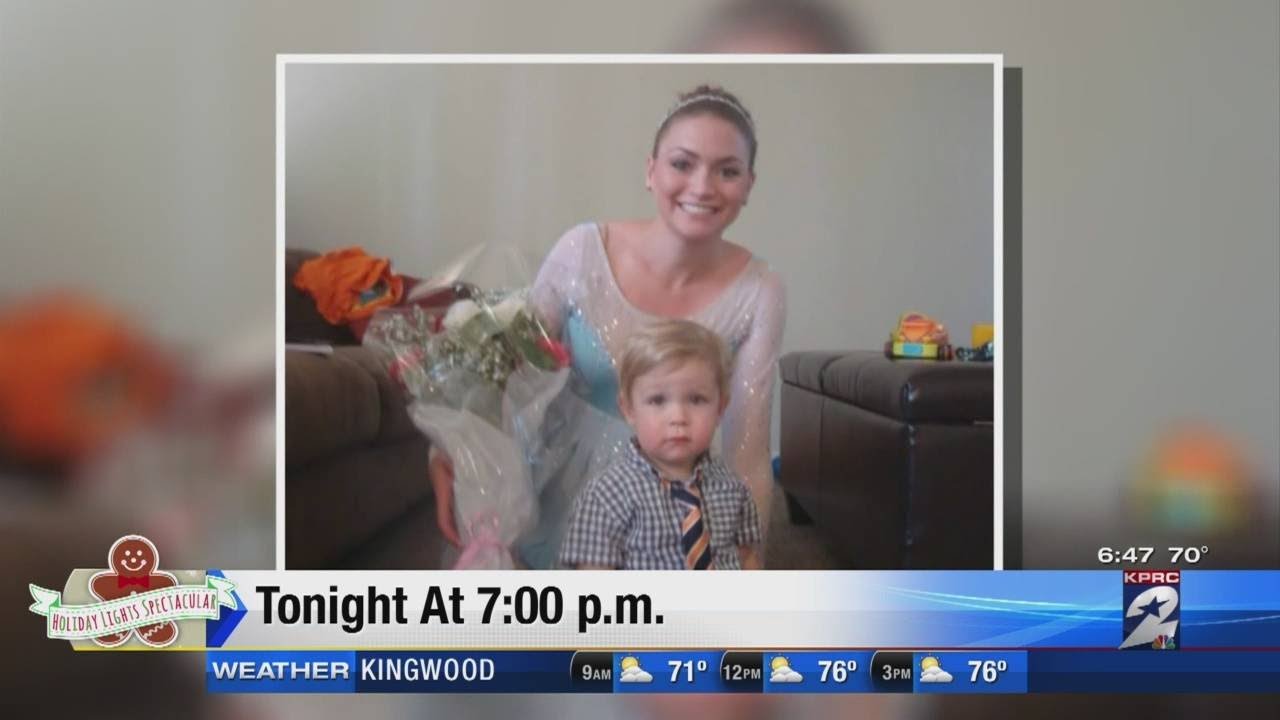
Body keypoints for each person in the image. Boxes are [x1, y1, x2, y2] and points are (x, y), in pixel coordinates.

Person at [431, 84, 785, 568]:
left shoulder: (761, 289)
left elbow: (749, 449)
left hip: (672, 505)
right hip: (555, 488)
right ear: (651, 171)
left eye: (727, 171)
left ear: (748, 185)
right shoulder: (582, 251)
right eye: (683, 163)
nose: (703, 187)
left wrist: (750, 564)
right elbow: (508, 374)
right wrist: (453, 449)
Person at [558, 319, 761, 570]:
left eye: (696, 400)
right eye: (657, 400)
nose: (678, 417)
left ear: (720, 408)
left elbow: (747, 558)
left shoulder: (732, 487)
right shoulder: (607, 495)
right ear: (629, 409)